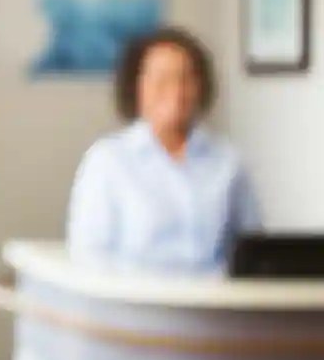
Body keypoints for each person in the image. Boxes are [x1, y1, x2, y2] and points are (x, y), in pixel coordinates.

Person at [67, 27, 260, 275]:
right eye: (162, 79)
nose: (176, 91)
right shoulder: (107, 161)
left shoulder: (228, 162)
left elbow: (253, 251)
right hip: (135, 307)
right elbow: (89, 256)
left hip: (215, 306)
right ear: (136, 87)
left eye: (186, 78)